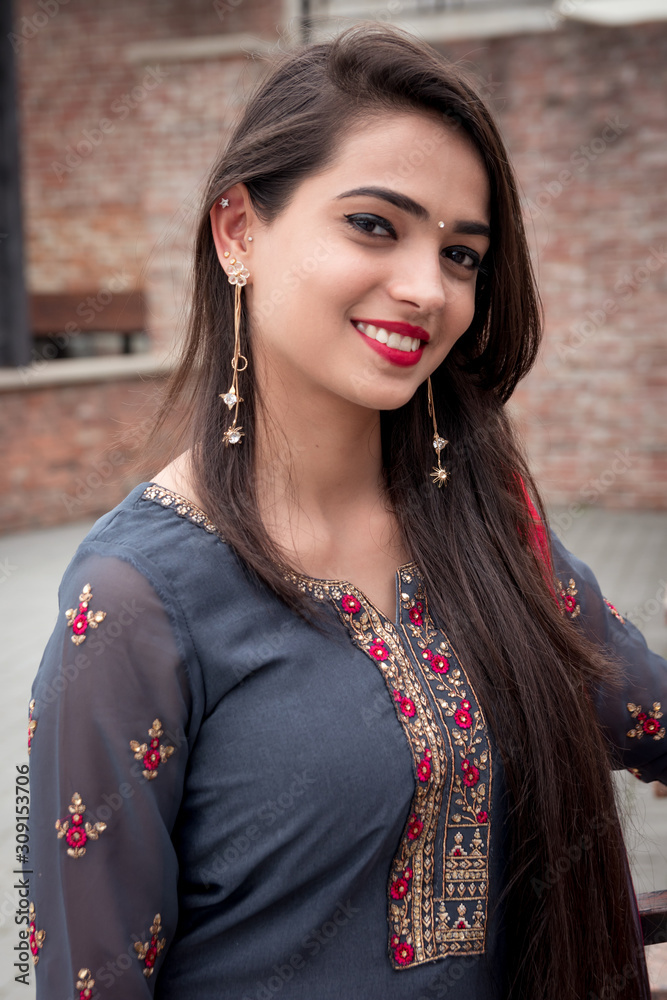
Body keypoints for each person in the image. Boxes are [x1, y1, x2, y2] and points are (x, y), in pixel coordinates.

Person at [27, 23, 666, 1000]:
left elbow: (651, 715)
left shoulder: (485, 520)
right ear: (237, 229)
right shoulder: (133, 604)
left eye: (461, 253)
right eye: (375, 224)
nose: (425, 289)